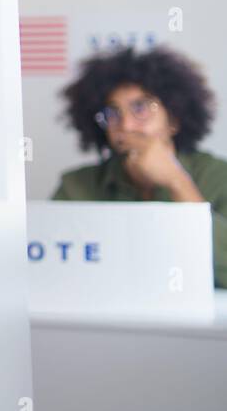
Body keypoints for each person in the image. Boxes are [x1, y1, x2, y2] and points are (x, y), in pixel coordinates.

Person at [52, 45, 227, 289]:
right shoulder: (76, 187)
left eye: (141, 108)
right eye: (113, 113)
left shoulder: (218, 176)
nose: (126, 125)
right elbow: (53, 274)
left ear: (174, 120)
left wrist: (177, 183)